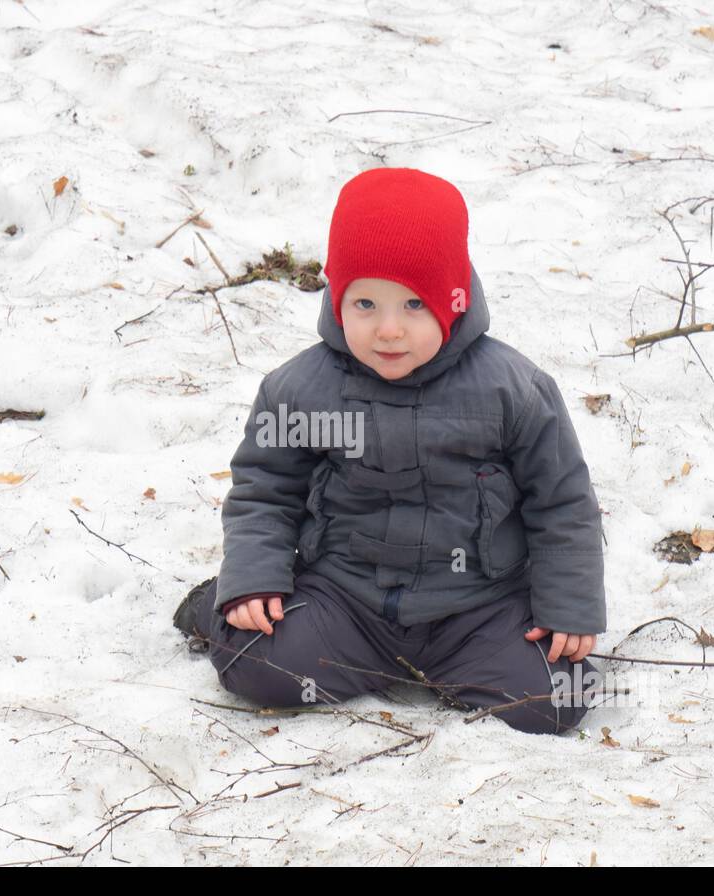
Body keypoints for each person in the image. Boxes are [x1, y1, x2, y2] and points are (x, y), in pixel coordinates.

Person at [173, 167, 607, 735]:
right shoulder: (300, 390)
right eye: (365, 304)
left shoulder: (513, 390)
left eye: (413, 304)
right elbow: (265, 490)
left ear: (452, 299)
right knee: (258, 666)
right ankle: (216, 606)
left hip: (477, 604)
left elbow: (562, 503)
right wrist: (252, 577)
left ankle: (450, 668)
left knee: (555, 700)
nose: (388, 331)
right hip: (346, 601)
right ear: (337, 298)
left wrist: (568, 608)